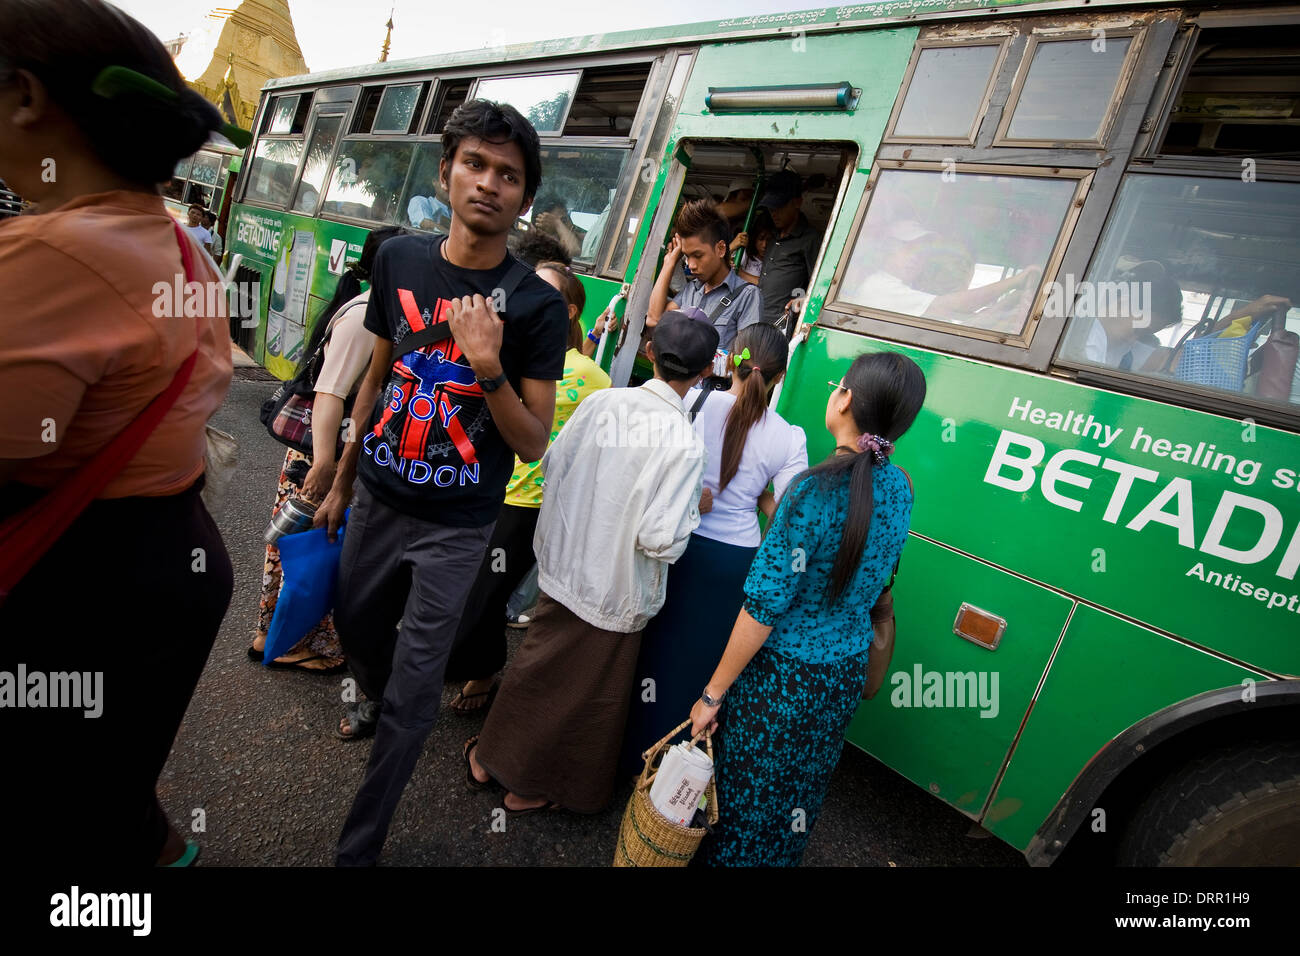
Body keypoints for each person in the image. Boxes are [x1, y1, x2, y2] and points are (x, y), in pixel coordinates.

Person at [0, 0, 234, 866]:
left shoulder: (54, 252)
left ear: (25, 96)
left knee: (51, 807)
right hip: (169, 564)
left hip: (74, 587)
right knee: (105, 789)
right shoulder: (177, 249)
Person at [314, 99, 569, 866]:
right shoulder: (401, 262)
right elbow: (376, 379)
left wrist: (489, 366)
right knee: (356, 628)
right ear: (445, 171)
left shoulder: (536, 306)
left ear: (524, 196)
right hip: (375, 499)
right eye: (475, 164)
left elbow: (530, 445)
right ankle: (388, 693)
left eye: (509, 175)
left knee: (415, 693)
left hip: (459, 528)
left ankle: (360, 844)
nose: (489, 183)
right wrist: (339, 475)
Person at [466, 311, 718, 814]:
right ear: (706, 370)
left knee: (536, 667)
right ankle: (530, 783)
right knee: (583, 694)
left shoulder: (602, 402)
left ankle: (491, 757)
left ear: (649, 352)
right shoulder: (683, 439)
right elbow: (660, 540)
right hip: (615, 587)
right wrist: (697, 507)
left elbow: (553, 466)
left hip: (563, 568)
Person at [689, 350, 927, 866]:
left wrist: (712, 695)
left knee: (745, 800)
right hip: (841, 675)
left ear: (845, 401)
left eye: (837, 385)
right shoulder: (901, 487)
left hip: (781, 681)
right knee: (798, 796)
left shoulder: (811, 491)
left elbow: (763, 609)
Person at [621, 322, 807, 775]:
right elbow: (789, 513)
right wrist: (753, 497)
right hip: (732, 563)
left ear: (730, 361)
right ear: (780, 376)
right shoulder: (790, 436)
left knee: (650, 648)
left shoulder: (695, 402)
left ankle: (625, 752)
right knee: (698, 661)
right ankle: (670, 771)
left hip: (677, 544)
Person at [445, 260, 610, 713]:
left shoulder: (591, 376)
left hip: (528, 502)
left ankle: (482, 672)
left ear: (568, 310)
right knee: (453, 584)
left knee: (486, 594)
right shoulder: (499, 348)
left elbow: (600, 444)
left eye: (540, 287)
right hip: (475, 485)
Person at [250, 226, 407, 673]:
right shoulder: (364, 317)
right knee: (312, 546)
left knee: (302, 545)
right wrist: (326, 464)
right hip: (327, 455)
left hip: (334, 451)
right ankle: (292, 639)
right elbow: (330, 393)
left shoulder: (373, 308)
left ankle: (276, 634)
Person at [846, 220, 1040, 331]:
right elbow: (946, 307)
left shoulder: (908, 291)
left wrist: (1014, 299)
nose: (916, 258)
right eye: (908, 249)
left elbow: (968, 322)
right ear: (887, 249)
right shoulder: (879, 286)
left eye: (921, 252)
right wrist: (1016, 281)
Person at [647, 198, 762, 350]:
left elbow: (745, 359)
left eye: (698, 255)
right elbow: (654, 319)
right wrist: (670, 263)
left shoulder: (747, 296)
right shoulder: (691, 290)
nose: (691, 265)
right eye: (687, 256)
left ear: (721, 249)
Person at [756, 170, 823, 327]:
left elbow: (819, 285)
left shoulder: (810, 239)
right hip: (756, 317)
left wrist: (805, 298)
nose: (774, 213)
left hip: (781, 324)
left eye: (779, 206)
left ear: (797, 203)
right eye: (770, 208)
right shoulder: (771, 235)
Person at [531, 189, 585, 260]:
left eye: (567, 218)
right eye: (563, 220)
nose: (570, 223)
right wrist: (557, 223)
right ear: (542, 226)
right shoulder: (539, 250)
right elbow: (573, 250)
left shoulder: (580, 237)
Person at [729, 208, 774, 286]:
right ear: (754, 238)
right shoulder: (742, 253)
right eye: (761, 239)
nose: (764, 245)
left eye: (769, 240)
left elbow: (767, 285)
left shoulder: (775, 263)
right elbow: (715, 264)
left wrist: (739, 272)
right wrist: (732, 246)